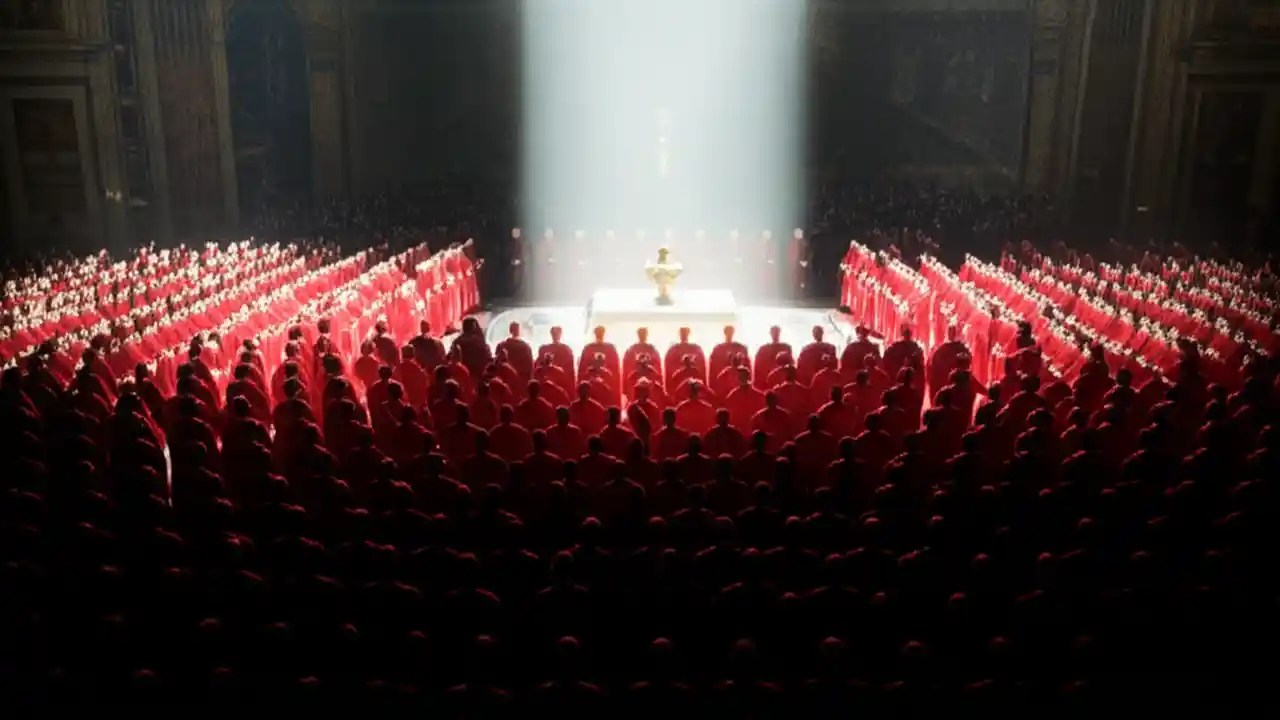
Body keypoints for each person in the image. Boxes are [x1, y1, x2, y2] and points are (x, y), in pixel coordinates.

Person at [496, 321, 534, 386]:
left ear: (510, 330)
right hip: (521, 379)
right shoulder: (525, 346)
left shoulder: (502, 345)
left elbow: (497, 363)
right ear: (519, 331)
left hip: (506, 379)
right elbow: (530, 366)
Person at [753, 326, 791, 390]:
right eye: (774, 333)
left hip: (784, 384)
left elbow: (791, 366)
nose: (775, 335)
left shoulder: (786, 347)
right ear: (770, 334)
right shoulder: (763, 349)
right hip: (767, 384)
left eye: (776, 332)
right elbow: (757, 369)